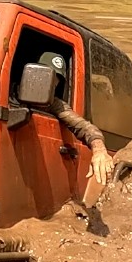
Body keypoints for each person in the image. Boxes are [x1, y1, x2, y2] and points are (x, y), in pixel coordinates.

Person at [33, 52, 116, 186]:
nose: (53, 82)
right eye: (48, 75)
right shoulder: (11, 91)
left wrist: (99, 149)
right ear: (33, 73)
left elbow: (84, 127)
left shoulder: (54, 104)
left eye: (57, 78)